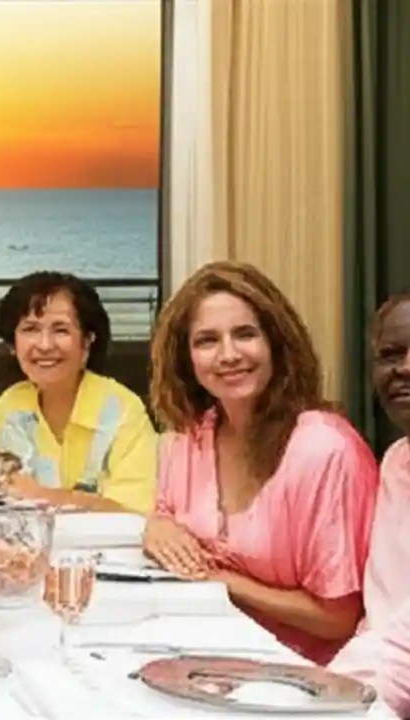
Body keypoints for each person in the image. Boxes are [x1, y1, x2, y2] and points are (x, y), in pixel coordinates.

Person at [144, 261, 378, 665]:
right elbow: (164, 513)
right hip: (204, 652)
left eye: (245, 334)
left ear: (276, 343)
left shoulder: (324, 450)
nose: (228, 354)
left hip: (300, 673)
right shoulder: (190, 438)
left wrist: (221, 580)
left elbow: (337, 619)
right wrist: (157, 527)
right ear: (186, 359)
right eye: (207, 341)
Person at [0, 271, 157, 513]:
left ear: (87, 340)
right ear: (12, 344)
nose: (44, 345)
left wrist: (45, 496)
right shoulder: (7, 409)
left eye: (60, 330)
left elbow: (136, 511)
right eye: (30, 329)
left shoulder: (122, 410)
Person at [329, 294, 410, 715]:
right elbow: (382, 618)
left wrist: (334, 696)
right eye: (390, 355)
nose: (405, 368)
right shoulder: (397, 461)